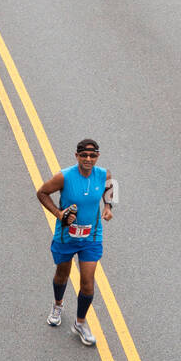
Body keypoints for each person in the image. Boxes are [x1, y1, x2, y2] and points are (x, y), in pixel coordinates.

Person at [36, 139, 114, 346]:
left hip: (91, 237)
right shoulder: (64, 177)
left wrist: (108, 208)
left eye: (93, 156)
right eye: (84, 156)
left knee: (88, 282)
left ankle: (80, 323)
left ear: (97, 156)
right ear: (77, 156)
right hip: (66, 236)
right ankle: (58, 304)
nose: (88, 159)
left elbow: (110, 188)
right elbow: (42, 193)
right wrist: (58, 213)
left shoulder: (104, 174)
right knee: (63, 273)